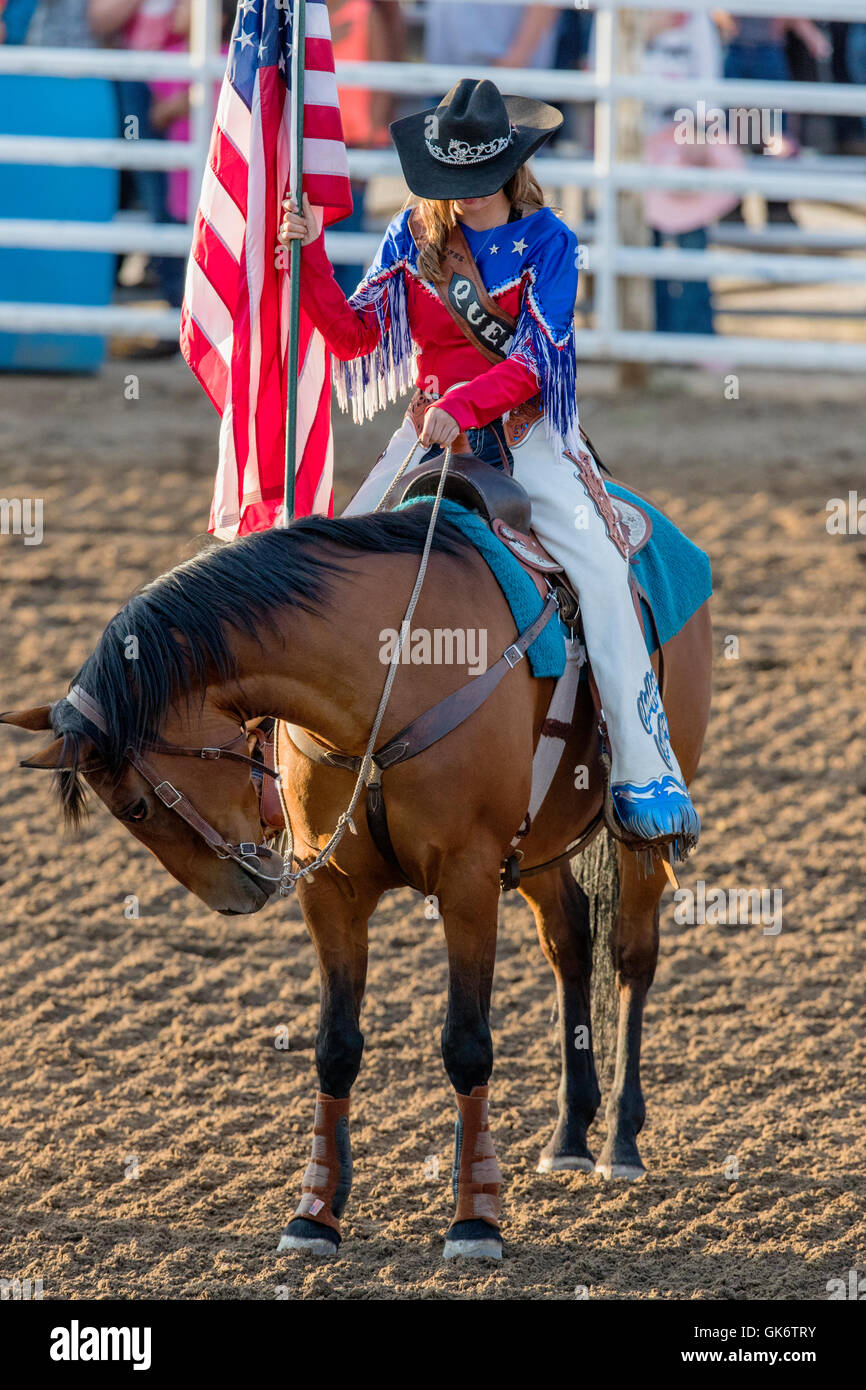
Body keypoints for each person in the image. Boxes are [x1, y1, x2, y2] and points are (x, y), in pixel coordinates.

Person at [276, 79, 701, 856]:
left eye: (475, 185)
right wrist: (310, 259)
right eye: (451, 186)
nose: (463, 201)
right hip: (430, 433)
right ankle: (301, 765)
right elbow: (355, 338)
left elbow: (541, 356)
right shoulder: (412, 237)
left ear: (508, 170)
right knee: (330, 562)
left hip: (522, 434)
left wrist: (466, 406)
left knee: (601, 566)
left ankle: (643, 768)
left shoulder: (548, 243)